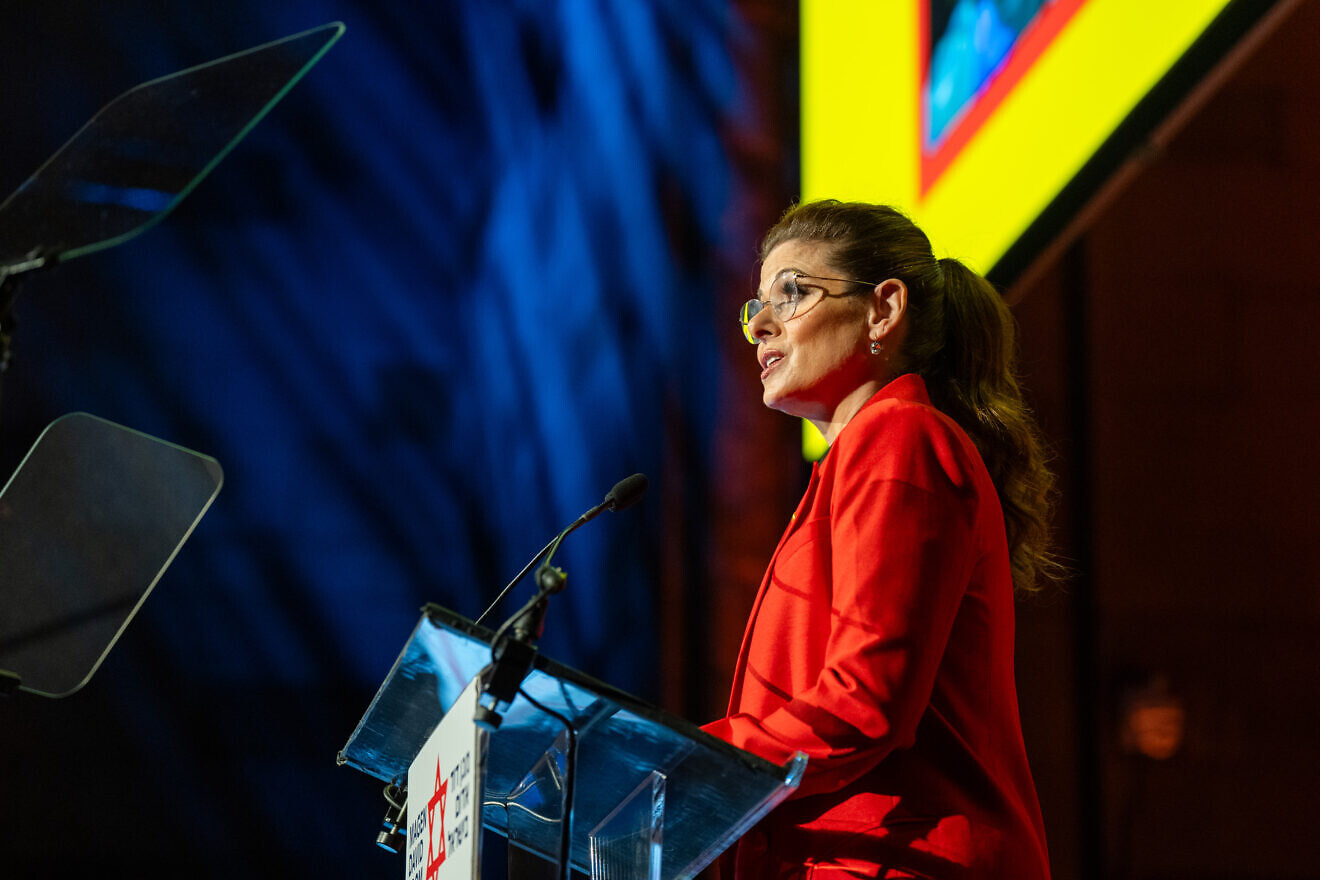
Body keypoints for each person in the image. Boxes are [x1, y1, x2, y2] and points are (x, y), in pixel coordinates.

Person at [702, 200, 1057, 879]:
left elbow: (866, 700)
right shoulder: (858, 461)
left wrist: (691, 767)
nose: (761, 326)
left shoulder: (901, 439)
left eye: (793, 293)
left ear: (883, 310)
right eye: (757, 306)